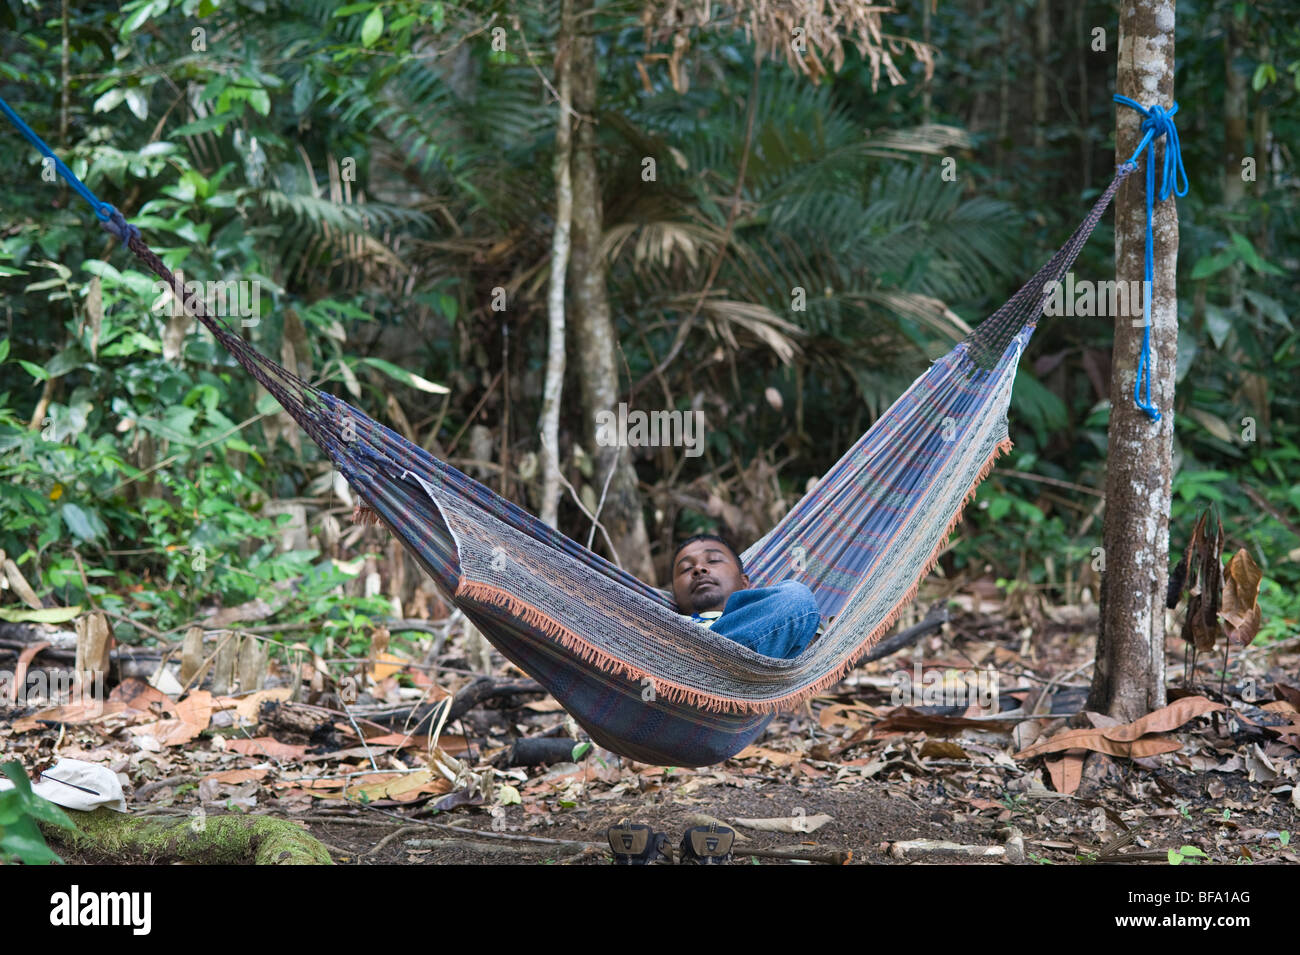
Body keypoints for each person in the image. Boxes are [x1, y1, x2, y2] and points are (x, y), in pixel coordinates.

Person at [669, 534, 821, 659]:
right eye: (686, 568)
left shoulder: (773, 616)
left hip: (750, 676)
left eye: (714, 560)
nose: (699, 569)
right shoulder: (662, 625)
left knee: (795, 597)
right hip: (676, 664)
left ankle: (709, 659)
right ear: (674, 594)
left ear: (744, 582)